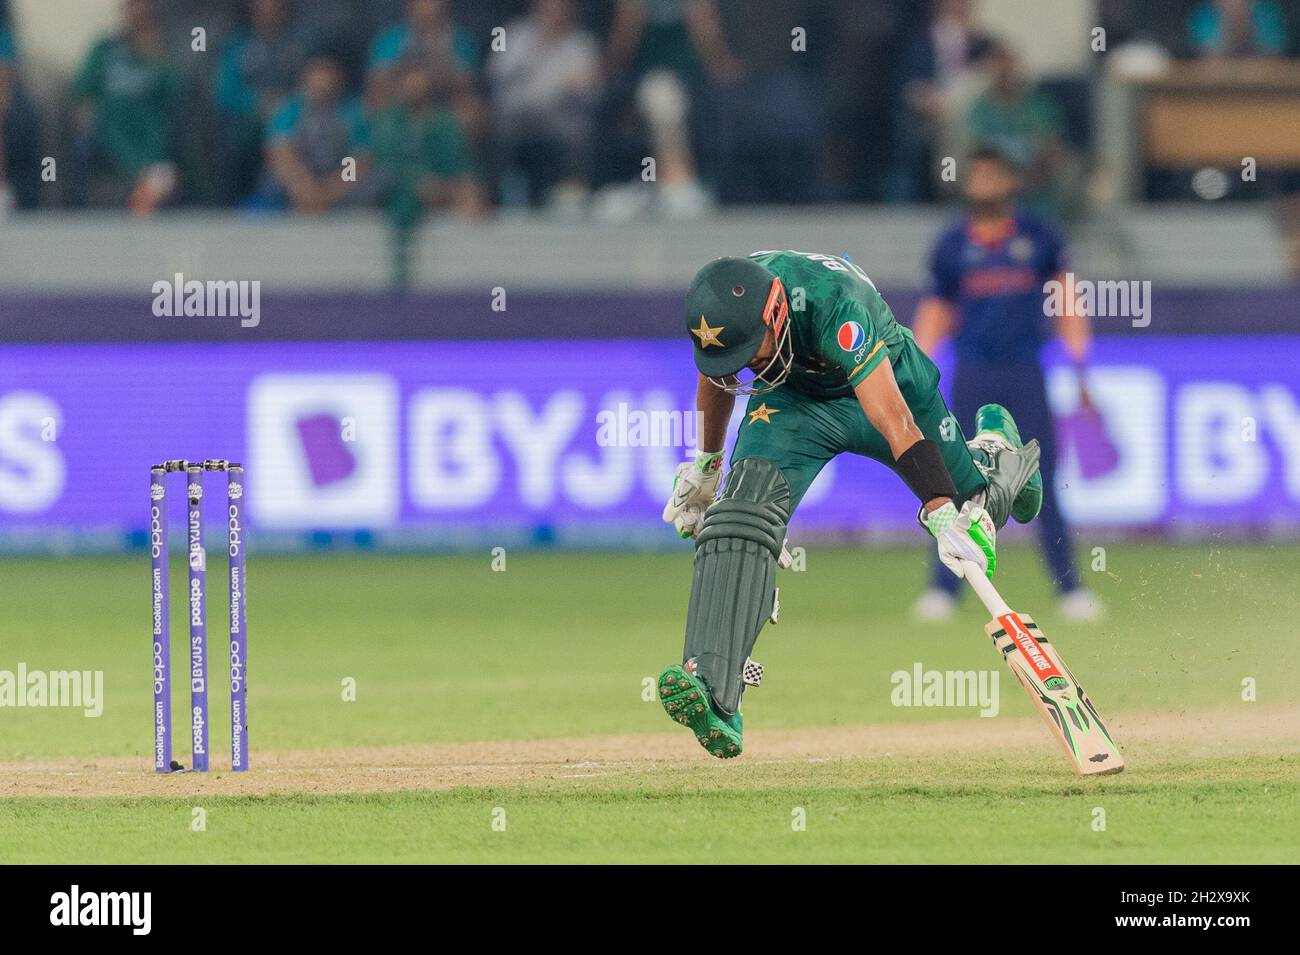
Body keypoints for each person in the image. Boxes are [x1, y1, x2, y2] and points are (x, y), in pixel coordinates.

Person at [657, 250, 1043, 758]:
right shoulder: (724, 311)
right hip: (793, 403)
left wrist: (942, 510)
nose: (745, 365)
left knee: (978, 514)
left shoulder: (834, 304)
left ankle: (995, 457)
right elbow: (718, 374)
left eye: (752, 350)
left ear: (775, 315)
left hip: (889, 390)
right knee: (739, 521)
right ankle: (715, 690)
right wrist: (707, 465)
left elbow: (895, 422)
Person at [912, 146, 1099, 623]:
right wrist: (913, 373)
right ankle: (943, 590)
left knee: (1041, 477)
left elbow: (1066, 298)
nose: (986, 184)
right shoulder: (953, 244)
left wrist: (1080, 365)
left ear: (1011, 181)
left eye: (995, 175)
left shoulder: (1038, 235)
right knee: (955, 481)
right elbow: (937, 310)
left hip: (1025, 373)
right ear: (966, 184)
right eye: (978, 176)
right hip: (972, 375)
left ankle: (1070, 588)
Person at [70, 0, 182, 213]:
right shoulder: (105, 49)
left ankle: (148, 181)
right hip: (110, 120)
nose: (137, 12)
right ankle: (149, 176)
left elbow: (175, 92)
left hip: (147, 117)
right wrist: (83, 107)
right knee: (110, 112)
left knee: (153, 118)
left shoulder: (160, 48)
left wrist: (157, 58)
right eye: (131, 6)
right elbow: (82, 89)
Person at [486, 0, 600, 209]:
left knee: (577, 131)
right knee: (500, 127)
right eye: (549, 5)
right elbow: (496, 74)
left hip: (558, 114)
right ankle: (496, 196)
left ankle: (572, 194)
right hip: (517, 113)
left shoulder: (581, 43)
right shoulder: (514, 34)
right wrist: (538, 49)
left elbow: (589, 89)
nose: (555, 10)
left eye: (561, 6)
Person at [256, 54, 371, 213]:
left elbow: (357, 161)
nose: (323, 87)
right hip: (298, 180)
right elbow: (281, 155)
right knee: (270, 189)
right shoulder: (290, 109)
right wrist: (305, 189)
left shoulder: (353, 112)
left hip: (337, 181)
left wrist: (329, 192)